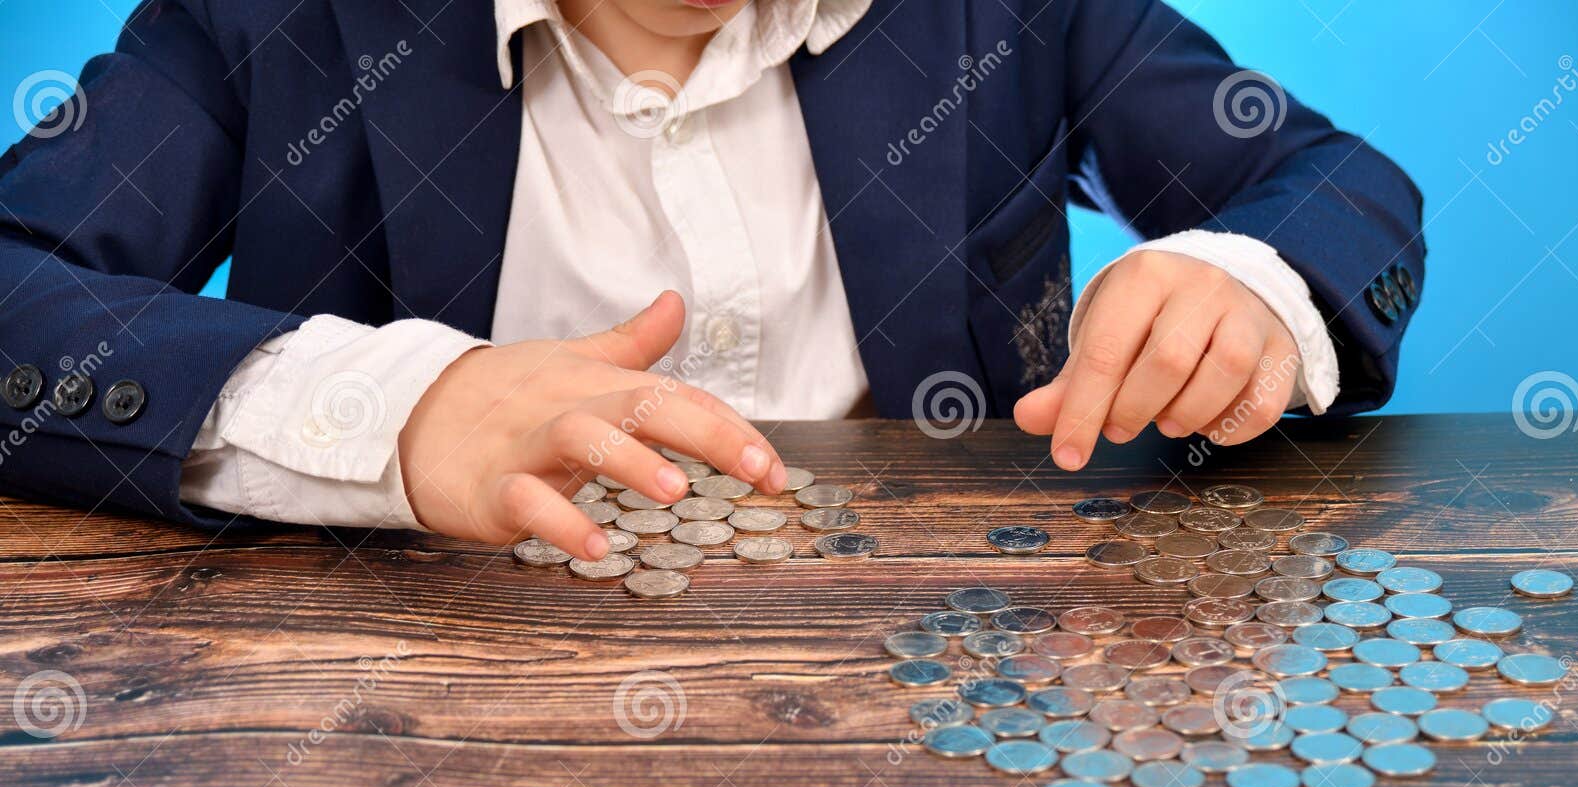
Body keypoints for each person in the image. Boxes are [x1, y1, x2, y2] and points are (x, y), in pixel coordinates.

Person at [0, 0, 1424, 561]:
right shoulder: (267, 18)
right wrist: (399, 406)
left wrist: (1249, 281)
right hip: (403, 729)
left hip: (935, 713)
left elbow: (1337, 187)